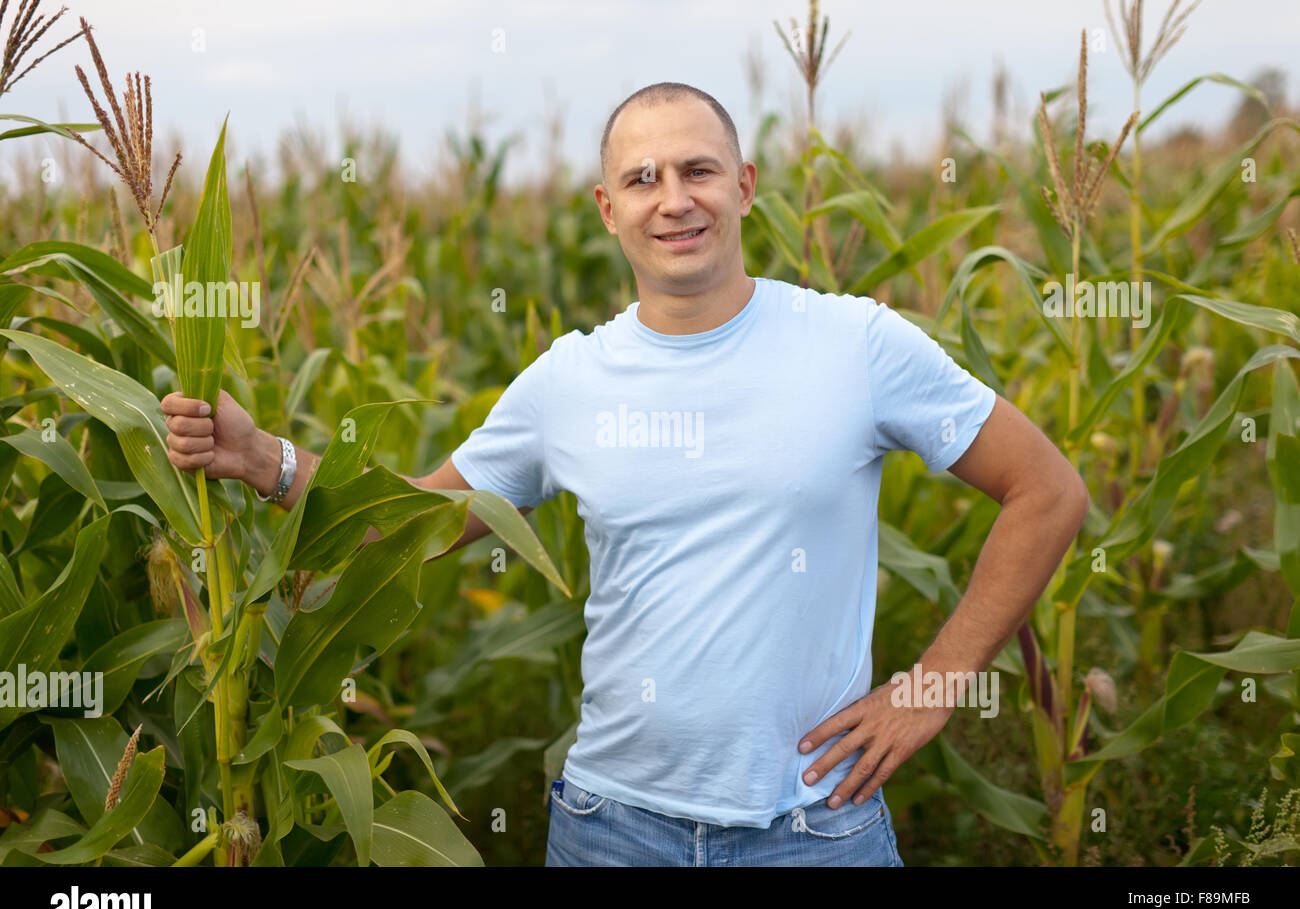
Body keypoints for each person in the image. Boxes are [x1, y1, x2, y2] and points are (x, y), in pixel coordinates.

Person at [161, 82, 1089, 867]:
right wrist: (262, 460)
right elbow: (415, 522)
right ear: (609, 209)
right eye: (642, 178)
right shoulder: (569, 380)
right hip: (613, 829)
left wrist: (930, 688)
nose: (673, 199)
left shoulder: (857, 344)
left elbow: (1046, 491)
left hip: (815, 829)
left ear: (746, 187)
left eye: (698, 171)